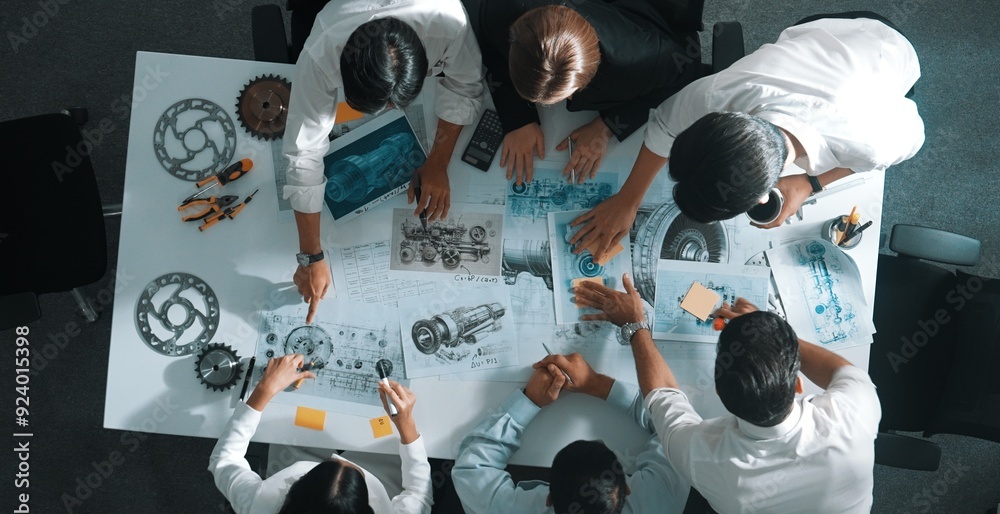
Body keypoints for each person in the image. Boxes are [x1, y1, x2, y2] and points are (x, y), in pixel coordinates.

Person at [573, 275, 881, 514]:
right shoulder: (856, 410)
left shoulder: (704, 459)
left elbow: (663, 394)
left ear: (720, 393)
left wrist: (635, 325)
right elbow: (840, 369)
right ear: (796, 379)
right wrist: (770, 334)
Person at [571, 13, 923, 262]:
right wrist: (629, 200)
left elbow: (909, 136)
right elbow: (663, 126)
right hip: (825, 34)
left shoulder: (875, 140)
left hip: (889, 51)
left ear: (760, 195)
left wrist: (809, 184)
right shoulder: (718, 95)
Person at [284, 0, 485, 323]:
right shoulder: (322, 50)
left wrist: (438, 161)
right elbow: (303, 152)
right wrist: (311, 255)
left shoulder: (449, 22)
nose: (392, 113)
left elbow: (464, 83)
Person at [452, 358, 689, 514]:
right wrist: (597, 385)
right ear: (626, 488)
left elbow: (471, 465)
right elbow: (676, 428)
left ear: (548, 498)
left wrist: (530, 401)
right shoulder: (657, 513)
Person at [208, 354, 432, 514]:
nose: (339, 458)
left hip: (301, 457)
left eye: (334, 463)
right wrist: (407, 427)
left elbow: (224, 461)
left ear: (292, 492)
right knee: (395, 442)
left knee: (288, 417)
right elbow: (419, 496)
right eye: (349, 468)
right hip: (378, 472)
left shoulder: (263, 508)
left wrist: (263, 391)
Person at [470, 0, 702, 185]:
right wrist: (518, 118)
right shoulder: (502, 8)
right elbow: (491, 48)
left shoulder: (642, 60)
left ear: (588, 75)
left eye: (566, 96)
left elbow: (686, 71)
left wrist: (607, 126)